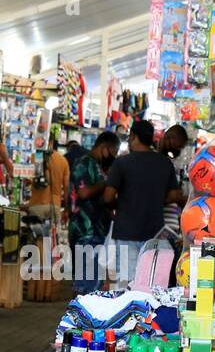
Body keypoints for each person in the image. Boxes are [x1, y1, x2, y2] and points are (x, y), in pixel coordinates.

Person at [104, 119, 185, 288]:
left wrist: (122, 202)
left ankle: (128, 314)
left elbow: (108, 197)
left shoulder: (122, 163)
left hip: (126, 230)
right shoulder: (164, 163)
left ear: (133, 136)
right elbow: (174, 195)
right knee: (151, 284)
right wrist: (154, 199)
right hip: (154, 231)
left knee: (126, 283)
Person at [68, 131, 118, 295]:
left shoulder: (97, 166)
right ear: (105, 147)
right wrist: (107, 182)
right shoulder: (84, 163)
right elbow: (83, 193)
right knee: (87, 288)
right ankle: (81, 319)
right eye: (113, 152)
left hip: (96, 231)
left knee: (93, 284)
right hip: (85, 231)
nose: (113, 156)